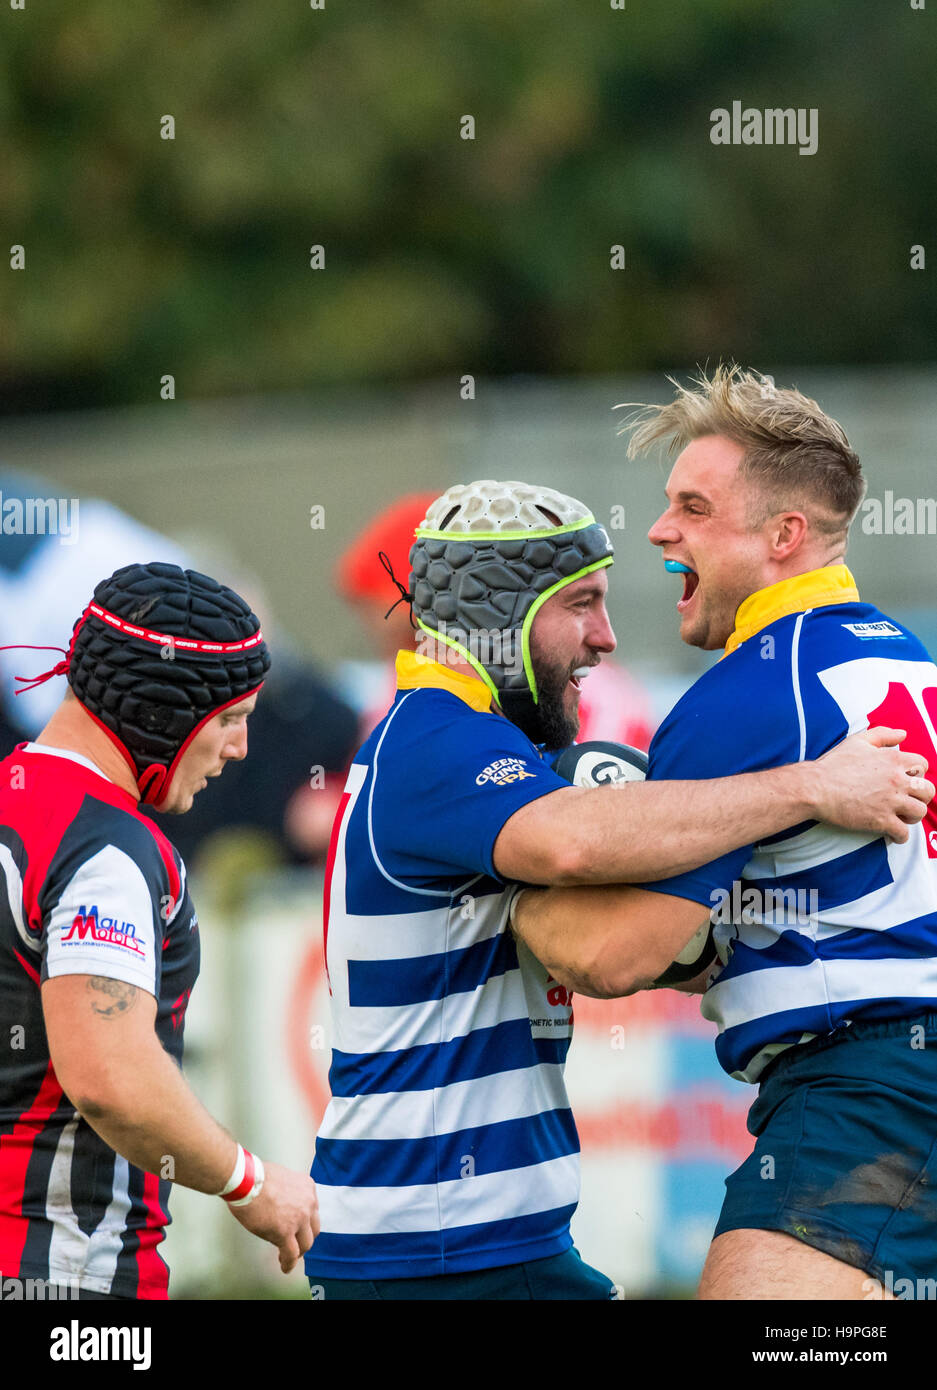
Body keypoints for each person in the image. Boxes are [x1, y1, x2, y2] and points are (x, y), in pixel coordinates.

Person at [304, 478, 929, 1301]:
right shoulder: (440, 738)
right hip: (440, 1248)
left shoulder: (473, 749)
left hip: (472, 1242)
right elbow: (574, 844)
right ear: (505, 615)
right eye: (583, 605)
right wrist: (812, 788)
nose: (604, 638)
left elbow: (620, 933)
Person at [512, 367, 937, 1300]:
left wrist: (508, 886)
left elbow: (618, 956)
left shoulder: (750, 692)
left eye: (692, 509)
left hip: (873, 1086)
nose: (660, 532)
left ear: (783, 536)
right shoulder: (905, 655)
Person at [0, 561, 319, 1299]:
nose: (238, 749)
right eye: (232, 719)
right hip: (61, 1274)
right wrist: (250, 1182)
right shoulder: (103, 850)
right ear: (165, 711)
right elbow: (109, 1078)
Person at [335, 491, 656, 750]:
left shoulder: (593, 692)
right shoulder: (403, 686)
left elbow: (595, 805)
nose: (370, 623)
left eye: (371, 603)